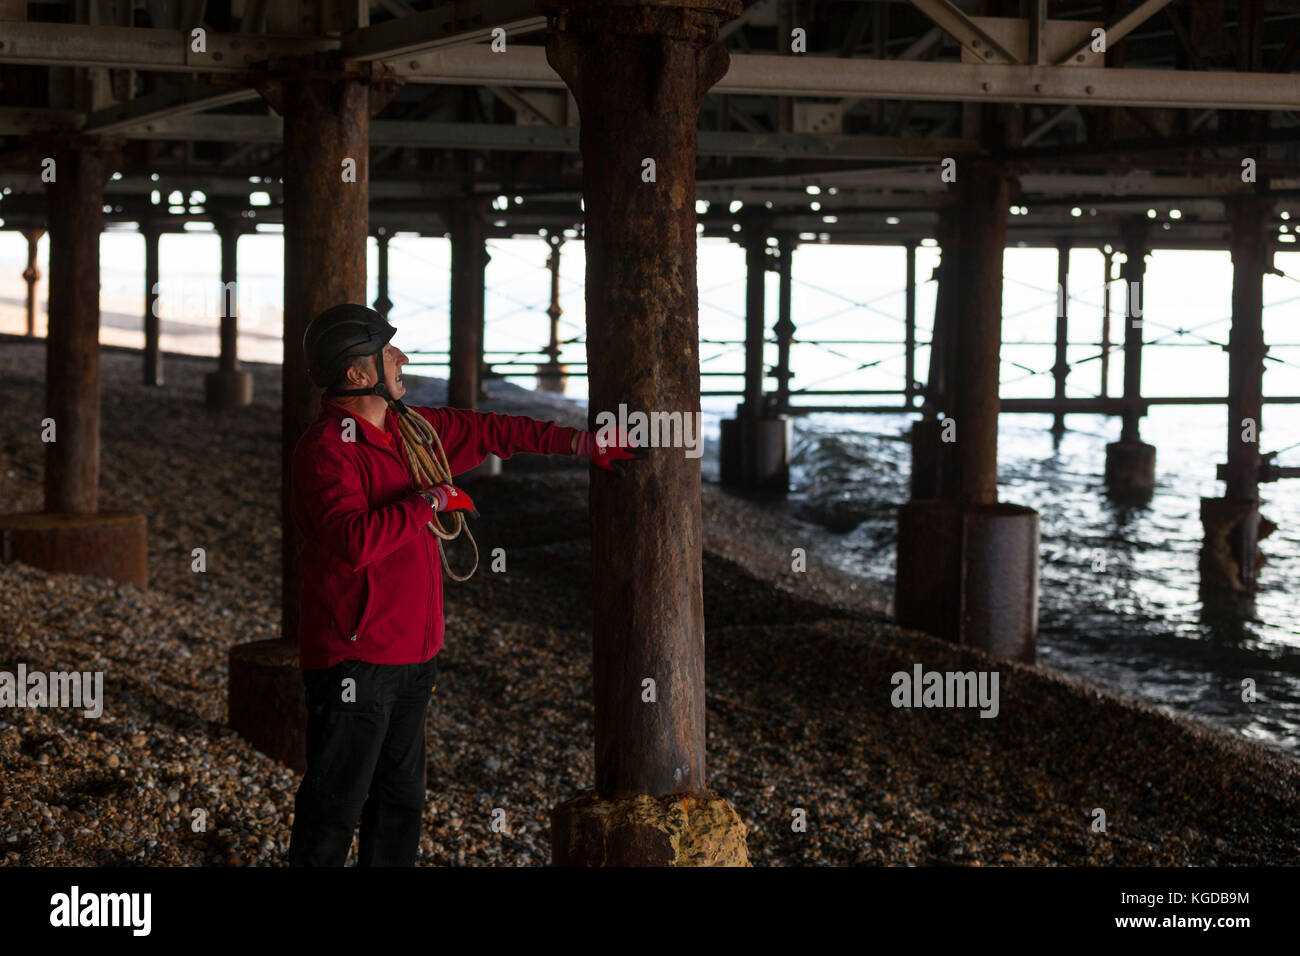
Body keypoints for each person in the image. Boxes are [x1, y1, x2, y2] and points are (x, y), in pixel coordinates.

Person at [287, 303, 638, 866]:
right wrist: (430, 500)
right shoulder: (327, 449)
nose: (401, 357)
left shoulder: (413, 429)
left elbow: (494, 430)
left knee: (400, 799)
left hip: (414, 652)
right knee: (335, 803)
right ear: (358, 374)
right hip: (354, 660)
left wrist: (579, 445)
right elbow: (352, 542)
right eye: (388, 350)